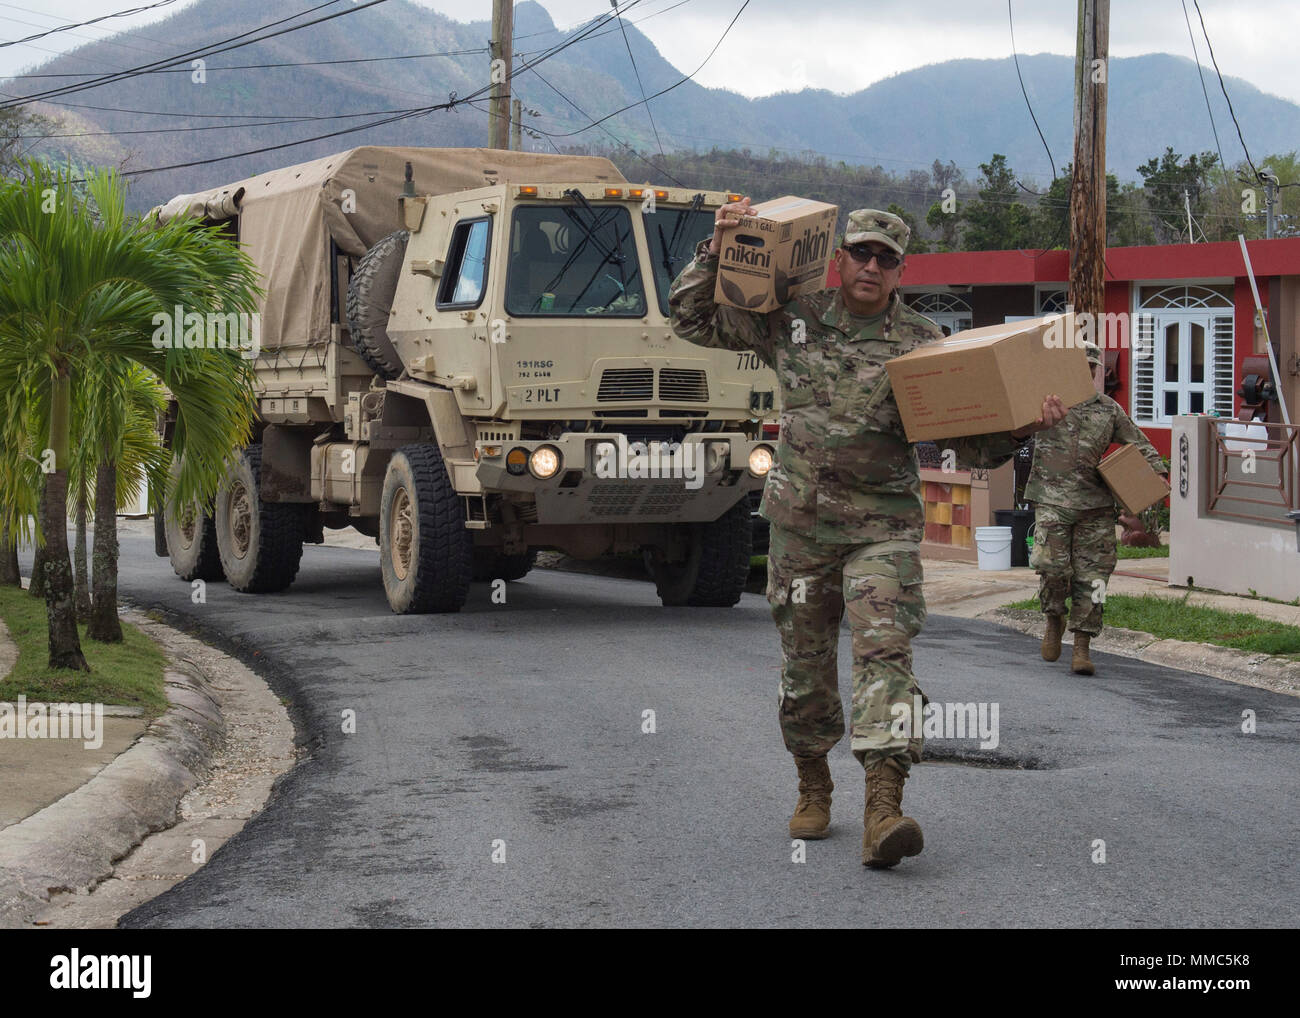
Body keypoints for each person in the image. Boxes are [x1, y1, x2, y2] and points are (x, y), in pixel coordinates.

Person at [668, 204, 1065, 868]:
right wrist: (717, 252)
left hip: (882, 526)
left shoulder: (922, 342)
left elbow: (969, 442)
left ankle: (884, 806)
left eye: (887, 259)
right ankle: (813, 781)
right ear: (840, 258)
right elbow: (694, 319)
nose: (872, 268)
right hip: (799, 528)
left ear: (900, 270)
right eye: (862, 254)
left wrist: (1024, 426)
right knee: (805, 669)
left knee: (885, 653)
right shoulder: (793, 318)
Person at [1027, 341, 1167, 675]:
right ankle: (1053, 618)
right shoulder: (1044, 404)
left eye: (1091, 369)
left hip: (1095, 505)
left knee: (1095, 578)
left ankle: (1081, 646)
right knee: (1051, 567)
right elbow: (1012, 430)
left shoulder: (1108, 410)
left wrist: (1159, 472)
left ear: (1095, 373)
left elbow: (1139, 443)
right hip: (1052, 499)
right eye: (1079, 367)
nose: (1085, 374)